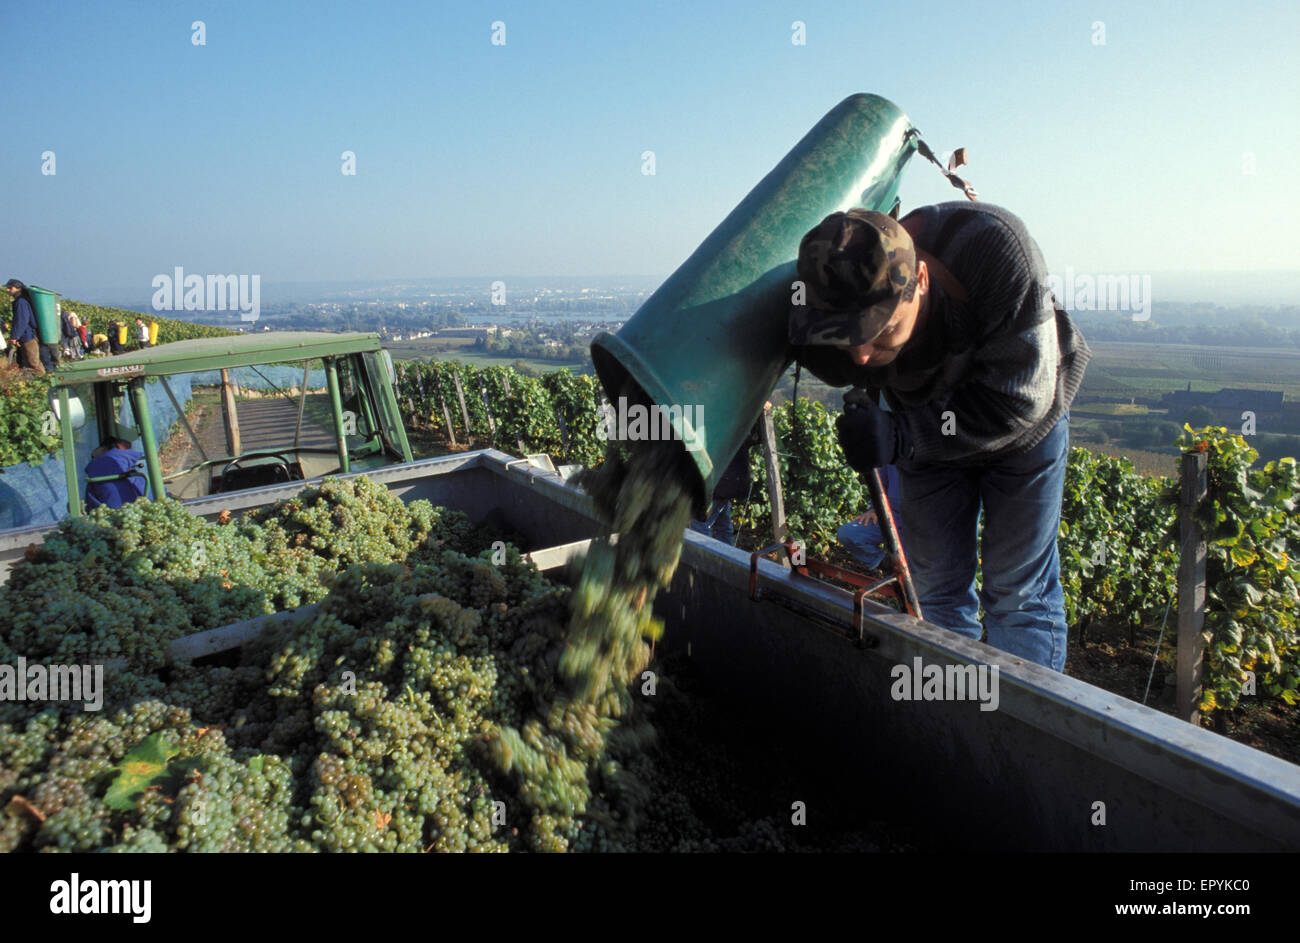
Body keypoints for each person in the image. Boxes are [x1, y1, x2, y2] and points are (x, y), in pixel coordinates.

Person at [789, 205, 1091, 672]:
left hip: (1021, 430)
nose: (863, 356)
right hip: (924, 427)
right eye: (846, 336)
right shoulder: (829, 281)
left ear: (922, 283)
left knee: (1016, 592)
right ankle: (956, 720)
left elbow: (1019, 401)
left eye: (881, 331)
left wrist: (903, 435)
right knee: (935, 587)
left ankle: (1022, 732)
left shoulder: (995, 251)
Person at [690, 420, 761, 545]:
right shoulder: (734, 423)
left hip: (717, 485)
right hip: (723, 485)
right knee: (722, 526)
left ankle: (705, 561)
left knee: (700, 527)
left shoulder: (726, 425)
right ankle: (726, 557)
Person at [835, 462, 906, 571]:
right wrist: (874, 509)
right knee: (847, 533)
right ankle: (887, 563)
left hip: (921, 523)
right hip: (892, 516)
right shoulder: (890, 453)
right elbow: (879, 483)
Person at [84, 437, 150, 510]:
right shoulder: (147, 464)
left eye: (93, 457)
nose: (93, 459)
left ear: (120, 446)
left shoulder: (98, 465)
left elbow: (92, 508)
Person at [4, 279, 45, 374]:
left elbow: (21, 320)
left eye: (10, 288)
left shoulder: (21, 302)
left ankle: (43, 381)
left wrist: (15, 336)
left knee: (33, 363)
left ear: (18, 289)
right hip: (26, 335)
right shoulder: (21, 300)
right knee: (29, 363)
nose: (7, 290)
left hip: (28, 336)